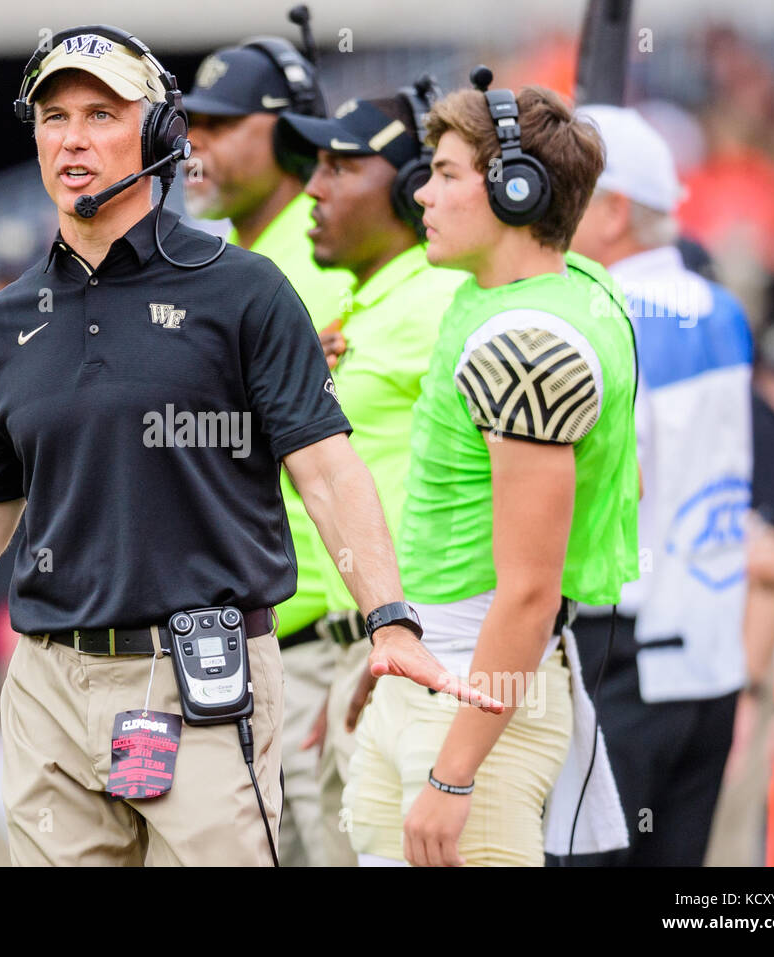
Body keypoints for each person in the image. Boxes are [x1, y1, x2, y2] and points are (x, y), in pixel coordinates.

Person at [0, 25, 500, 867]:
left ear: (158, 133)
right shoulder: (1, 328)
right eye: (53, 117)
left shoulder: (243, 292)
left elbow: (328, 466)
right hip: (48, 686)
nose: (72, 138)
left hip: (199, 679)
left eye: (100, 113)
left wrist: (389, 619)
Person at [342, 71, 640, 866]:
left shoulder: (529, 343)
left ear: (517, 189)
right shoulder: (564, 287)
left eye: (443, 174)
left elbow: (533, 587)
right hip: (441, 671)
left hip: (471, 703)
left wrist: (455, 771)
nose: (421, 196)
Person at [271, 81, 469, 866]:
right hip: (364, 653)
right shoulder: (367, 309)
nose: (313, 189)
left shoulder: (442, 301)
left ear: (406, 186)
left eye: (337, 168)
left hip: (421, 646)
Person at [553, 104, 753, 866]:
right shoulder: (719, 306)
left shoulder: (604, 313)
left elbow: (603, 479)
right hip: (707, 644)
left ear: (614, 210)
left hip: (622, 642)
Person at [182, 33, 352, 867]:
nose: (195, 145)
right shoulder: (241, 263)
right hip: (250, 646)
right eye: (190, 125)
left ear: (289, 134)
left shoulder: (317, 264)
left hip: (315, 636)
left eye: (219, 125)